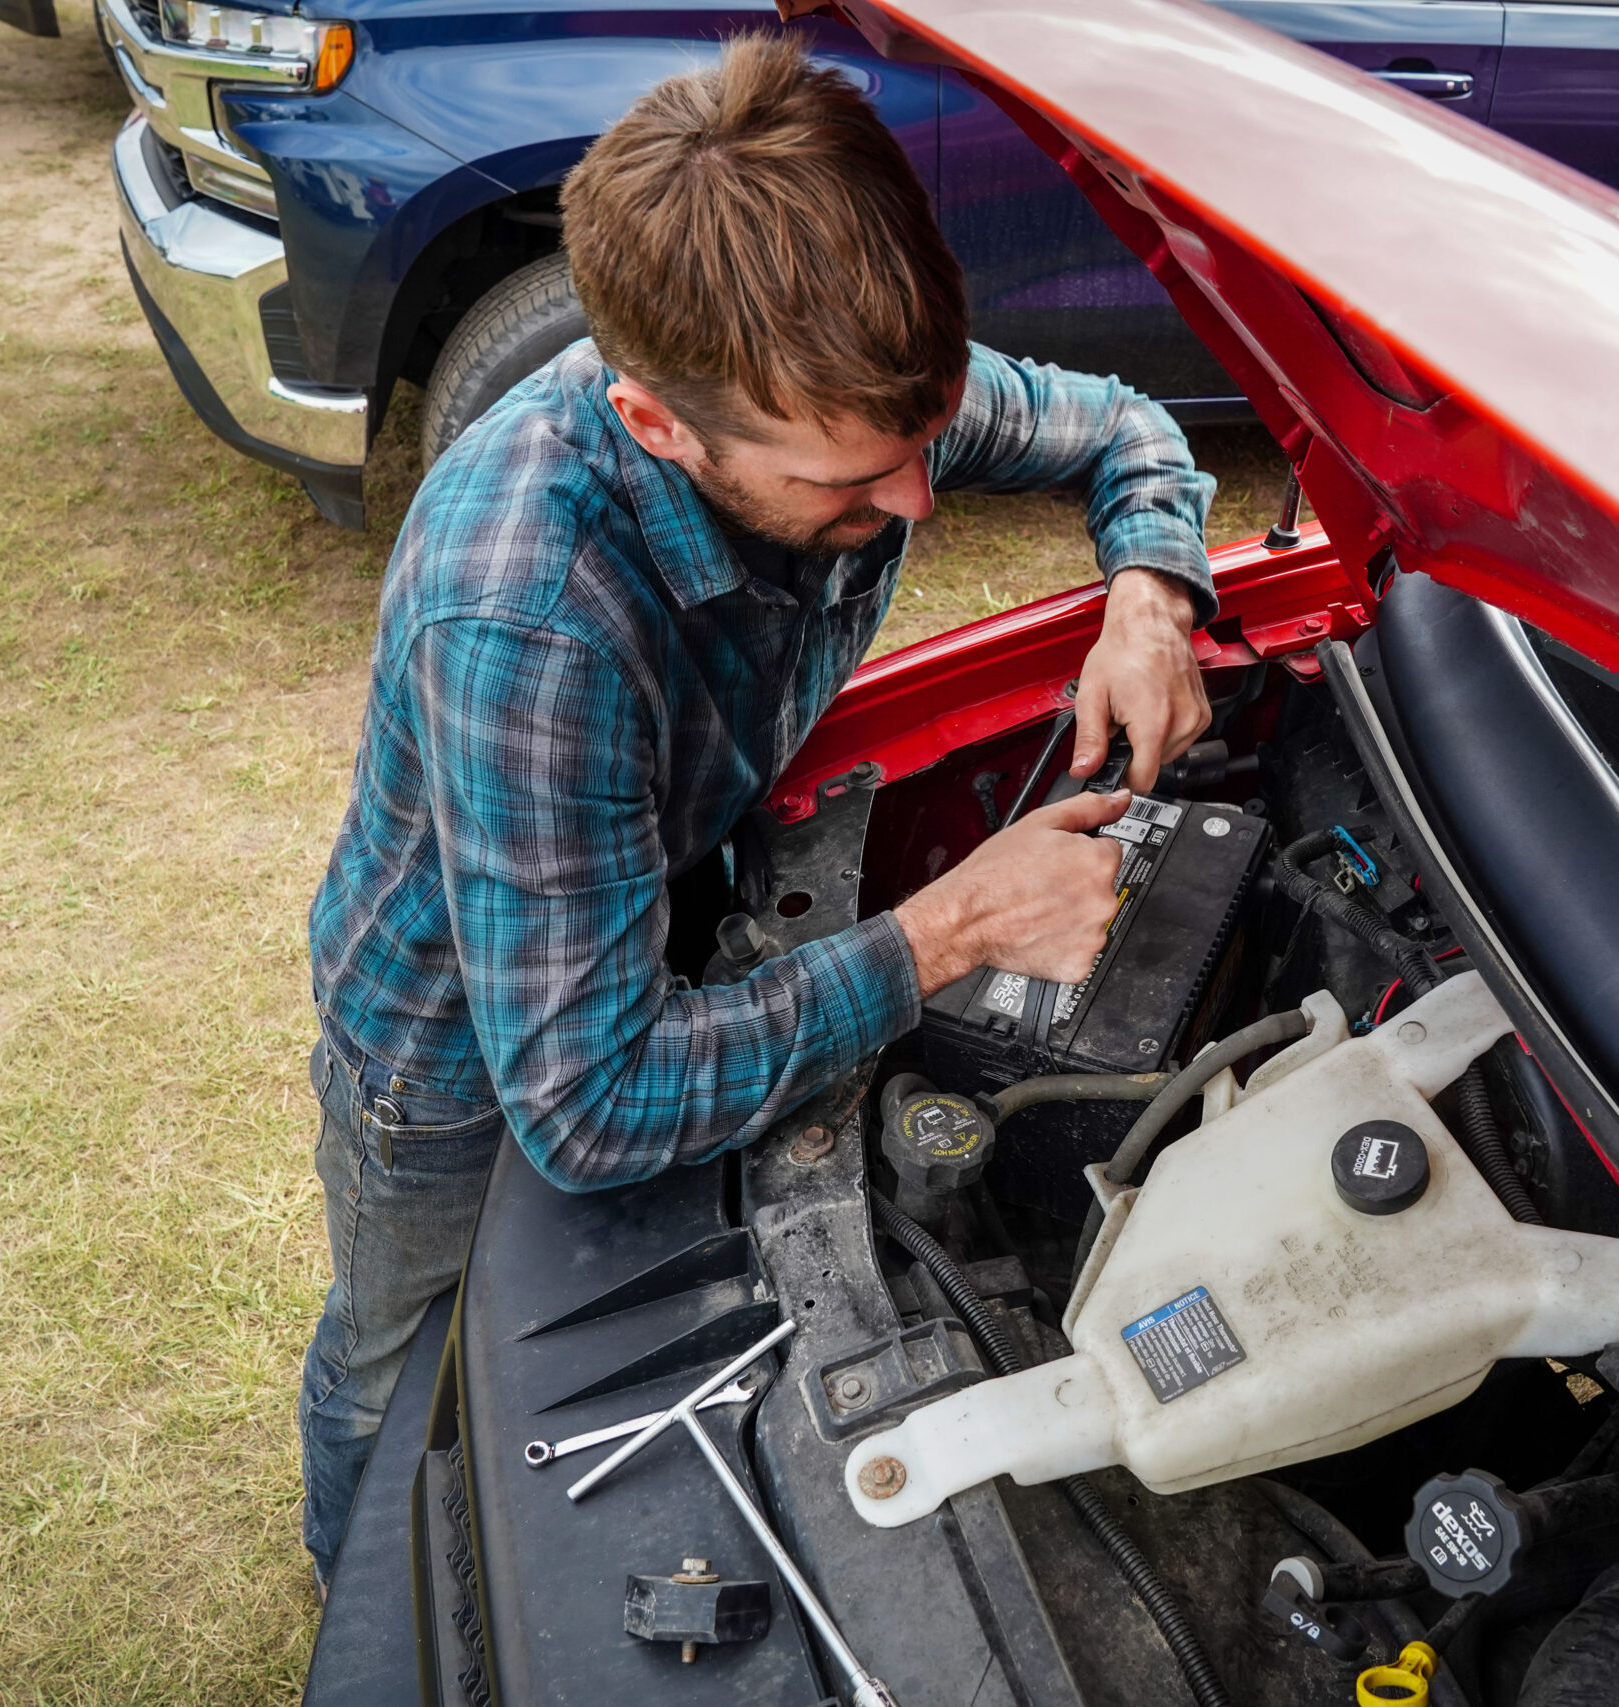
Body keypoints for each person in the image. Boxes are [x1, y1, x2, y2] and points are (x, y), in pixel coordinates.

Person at [295, 33, 1220, 1589]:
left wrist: (1150, 591)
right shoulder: (526, 616)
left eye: (928, 443)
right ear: (661, 424)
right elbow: (585, 1105)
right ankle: (361, 1607)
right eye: (853, 485)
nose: (918, 504)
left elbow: (1132, 424)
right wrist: (954, 926)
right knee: (403, 1381)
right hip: (451, 1055)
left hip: (671, 916)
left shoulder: (847, 394)